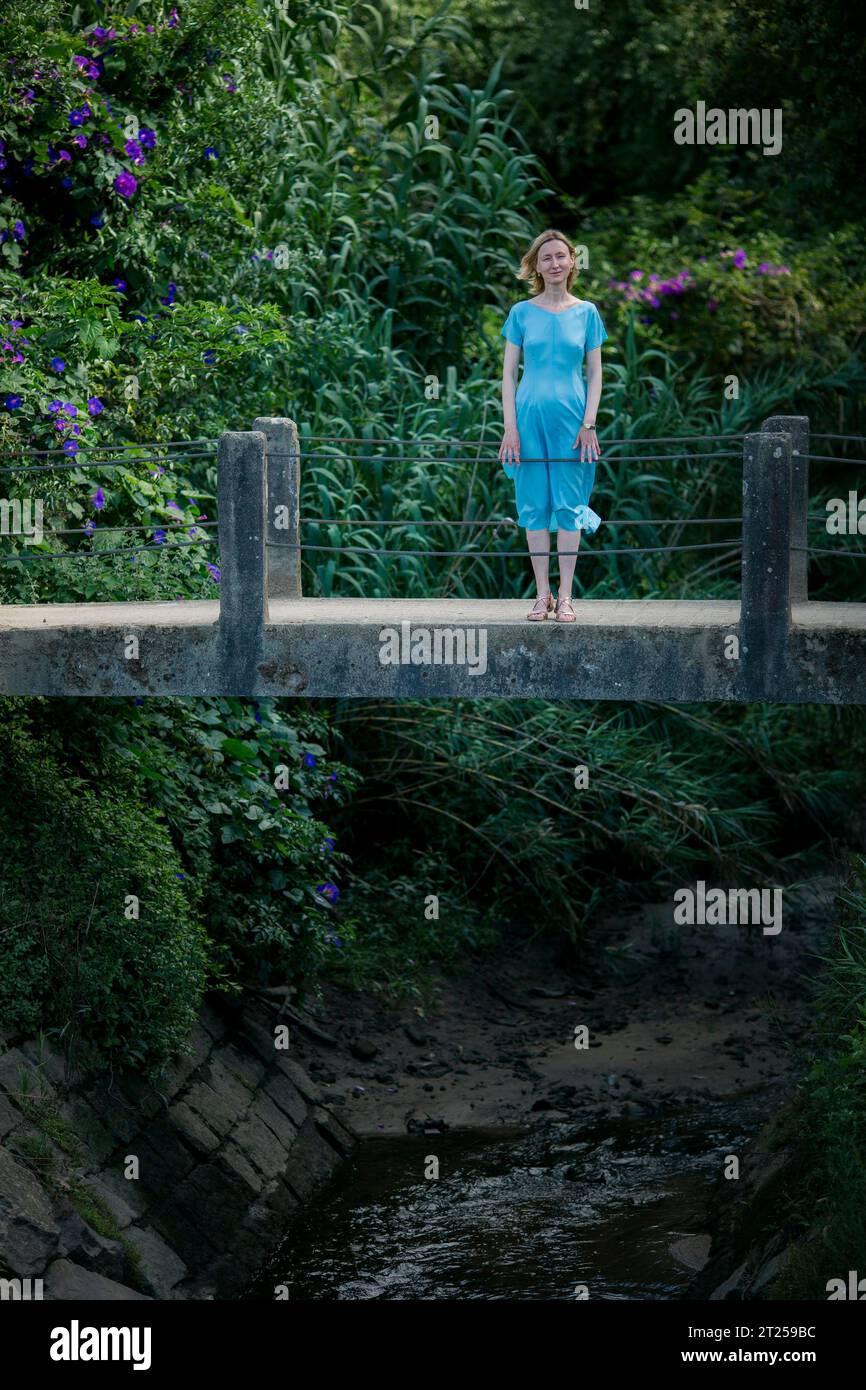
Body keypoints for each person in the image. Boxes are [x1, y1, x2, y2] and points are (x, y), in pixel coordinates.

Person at [498, 230, 608, 622]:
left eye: (562, 256)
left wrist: (589, 423)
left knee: (570, 506)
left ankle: (565, 596)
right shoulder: (521, 313)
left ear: (573, 261)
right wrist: (510, 427)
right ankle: (541, 595)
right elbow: (508, 374)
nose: (555, 263)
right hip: (527, 421)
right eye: (546, 258)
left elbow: (595, 374)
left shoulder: (587, 312)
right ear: (536, 265)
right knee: (533, 506)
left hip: (574, 422)